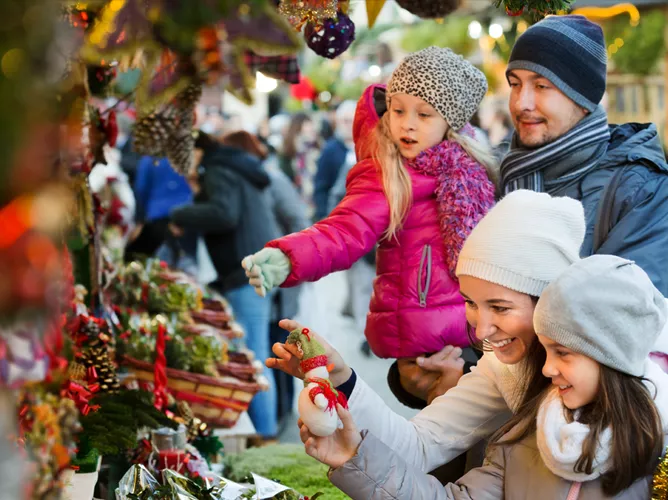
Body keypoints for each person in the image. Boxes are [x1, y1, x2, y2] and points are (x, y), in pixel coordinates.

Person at [243, 47, 498, 404]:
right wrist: (289, 257)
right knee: (450, 441)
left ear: (450, 123)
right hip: (425, 337)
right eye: (398, 110)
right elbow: (345, 229)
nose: (407, 123)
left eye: (424, 114)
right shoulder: (389, 173)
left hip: (474, 331)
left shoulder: (472, 168)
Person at [320, 256, 668, 499]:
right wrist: (353, 458)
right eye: (470, 302)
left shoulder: (658, 456)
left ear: (612, 357)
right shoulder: (523, 437)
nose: (546, 369)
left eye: (563, 353)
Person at [501, 15, 668, 296]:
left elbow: (625, 311)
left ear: (583, 99)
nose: (521, 103)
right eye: (515, 84)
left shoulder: (641, 190)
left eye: (542, 86)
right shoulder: (496, 172)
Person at [169, 131, 281, 441]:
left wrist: (180, 214)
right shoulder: (231, 166)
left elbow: (224, 213)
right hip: (253, 268)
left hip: (247, 272)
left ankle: (265, 436)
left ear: (197, 151)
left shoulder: (218, 170)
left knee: (252, 357)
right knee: (254, 354)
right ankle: (263, 432)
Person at [313, 100, 357, 221]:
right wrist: (323, 216)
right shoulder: (330, 150)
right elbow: (321, 186)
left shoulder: (368, 147)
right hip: (337, 215)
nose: (349, 124)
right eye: (345, 121)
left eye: (352, 120)